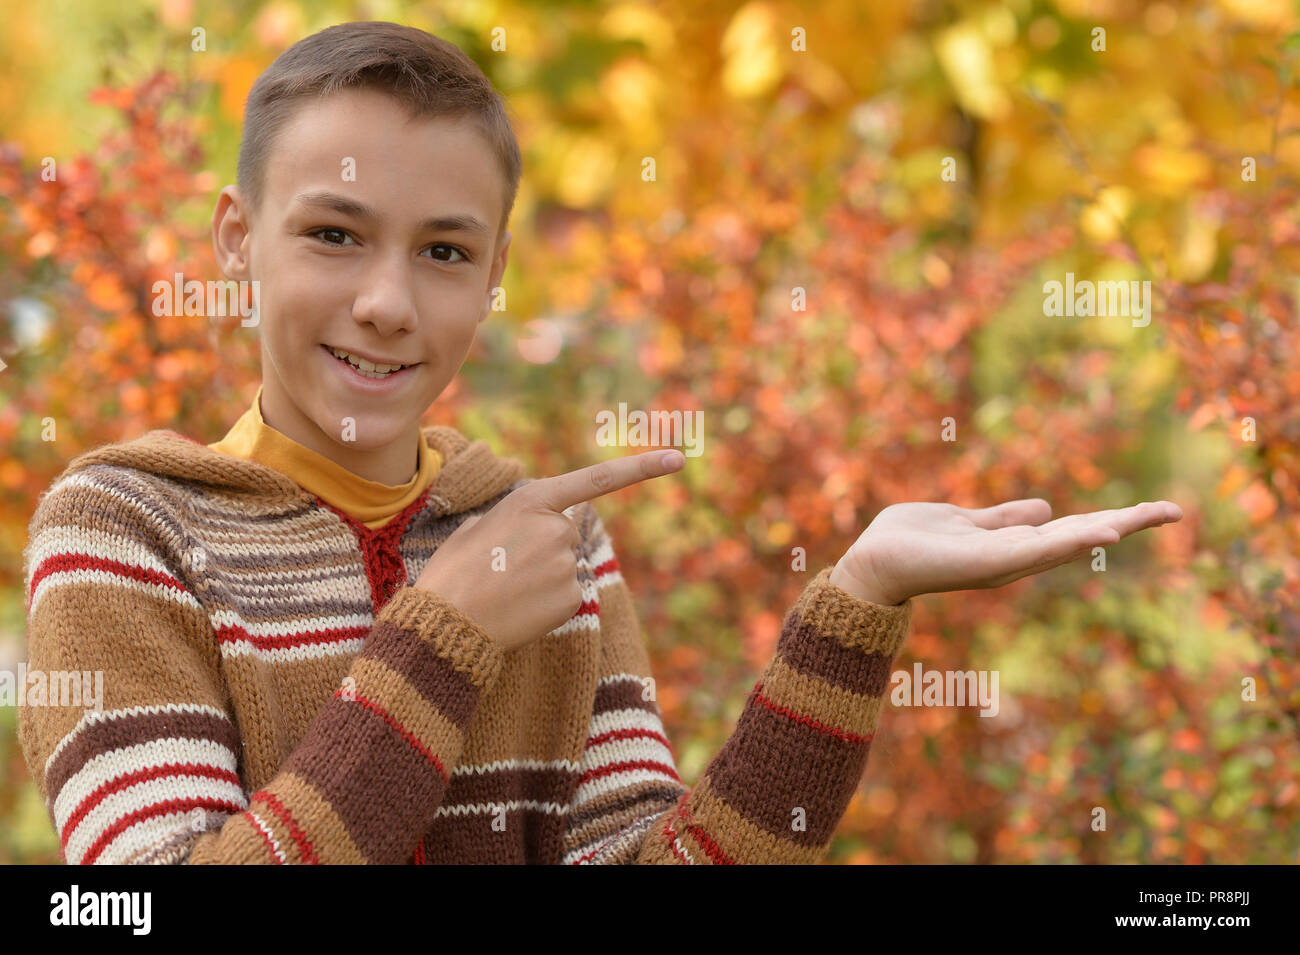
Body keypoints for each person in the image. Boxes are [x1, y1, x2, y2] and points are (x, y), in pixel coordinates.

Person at [18, 20, 1182, 865]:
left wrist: (857, 605)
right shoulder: (125, 531)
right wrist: (447, 636)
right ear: (236, 241)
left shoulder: (542, 538)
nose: (387, 301)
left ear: (494, 279)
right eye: (333, 233)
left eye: (443, 252)